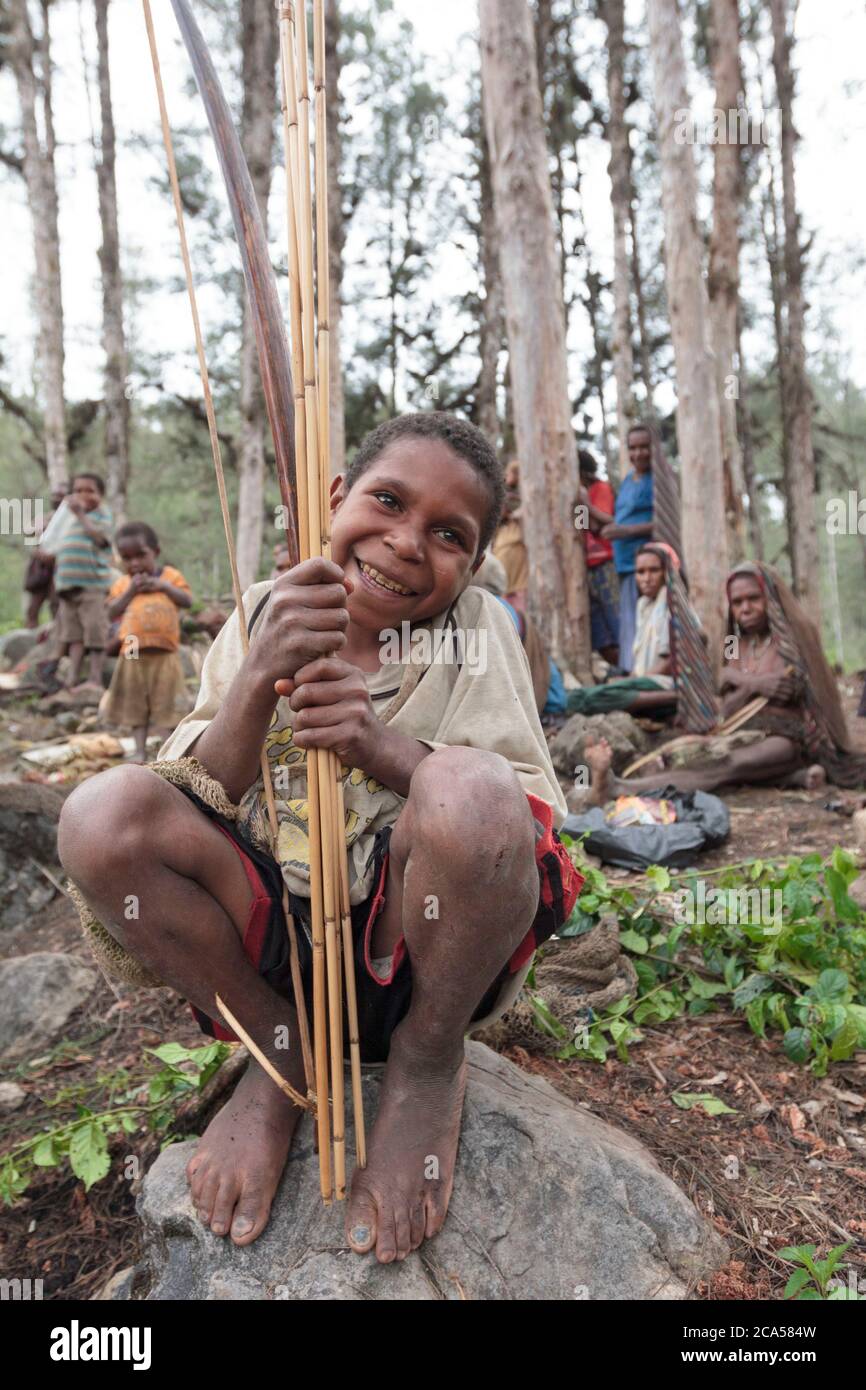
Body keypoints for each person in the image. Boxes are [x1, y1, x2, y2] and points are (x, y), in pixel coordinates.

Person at [58, 412, 582, 1265]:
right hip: (274, 958)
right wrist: (258, 682)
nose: (408, 543)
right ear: (335, 498)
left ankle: (423, 1064)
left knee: (472, 790)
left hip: (415, 957)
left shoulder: (475, 630)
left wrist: (377, 746)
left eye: (448, 534)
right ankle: (282, 1052)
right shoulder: (268, 607)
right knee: (101, 816)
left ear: (478, 561)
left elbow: (516, 822)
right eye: (387, 500)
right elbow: (200, 797)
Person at [618, 561, 866, 794]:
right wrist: (757, 684)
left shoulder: (794, 637)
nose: (745, 609)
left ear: (770, 598)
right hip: (739, 732)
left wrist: (745, 682)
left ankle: (623, 789)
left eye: (753, 599)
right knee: (687, 755)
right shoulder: (734, 642)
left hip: (787, 739)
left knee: (726, 765)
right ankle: (792, 778)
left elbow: (799, 690)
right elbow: (727, 693)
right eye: (737, 602)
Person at [566, 543, 716, 728]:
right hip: (647, 684)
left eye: (654, 570)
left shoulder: (674, 605)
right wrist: (629, 679)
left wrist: (633, 681)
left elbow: (671, 662)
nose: (646, 578)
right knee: (588, 695)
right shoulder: (644, 605)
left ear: (667, 572)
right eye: (641, 572)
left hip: (665, 683)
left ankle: (677, 698)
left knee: (583, 699)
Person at [102, 523, 193, 763]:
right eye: (127, 558)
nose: (134, 564)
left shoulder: (170, 576)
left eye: (140, 555)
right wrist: (131, 591)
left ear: (156, 551)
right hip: (131, 652)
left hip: (166, 653)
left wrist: (163, 586)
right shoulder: (123, 584)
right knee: (134, 702)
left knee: (166, 702)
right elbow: (111, 611)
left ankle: (169, 753)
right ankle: (139, 752)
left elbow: (187, 600)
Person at [599, 422, 683, 672]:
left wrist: (626, 531)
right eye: (632, 448)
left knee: (653, 620)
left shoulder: (661, 478)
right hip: (626, 563)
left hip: (650, 565)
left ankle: (647, 674)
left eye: (644, 447)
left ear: (655, 447)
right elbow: (622, 519)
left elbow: (669, 518)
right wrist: (592, 513)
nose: (638, 454)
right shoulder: (627, 480)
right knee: (632, 618)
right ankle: (632, 670)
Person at [53, 473, 113, 692]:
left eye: (90, 491)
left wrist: (80, 515)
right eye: (78, 491)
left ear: (101, 495)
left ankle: (95, 679)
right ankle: (72, 678)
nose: (83, 495)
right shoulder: (67, 518)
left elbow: (100, 539)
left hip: (92, 586)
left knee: (95, 632)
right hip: (68, 587)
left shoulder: (101, 515)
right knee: (73, 635)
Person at [577, 449, 619, 667]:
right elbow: (582, 526)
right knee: (599, 630)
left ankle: (628, 667)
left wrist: (586, 503)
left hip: (604, 563)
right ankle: (615, 667)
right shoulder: (580, 494)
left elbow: (598, 524)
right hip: (587, 567)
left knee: (615, 620)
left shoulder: (600, 488)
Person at [23, 484, 67, 629]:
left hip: (60, 566)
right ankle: (30, 637)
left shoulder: (71, 518)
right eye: (54, 495)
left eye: (60, 496)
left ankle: (56, 634)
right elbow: (28, 533)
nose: (56, 499)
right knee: (33, 606)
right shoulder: (44, 517)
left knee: (56, 603)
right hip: (41, 569)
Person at [491, 458, 529, 612]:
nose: (508, 476)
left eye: (511, 472)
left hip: (517, 549)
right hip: (503, 547)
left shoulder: (525, 495)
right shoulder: (505, 493)